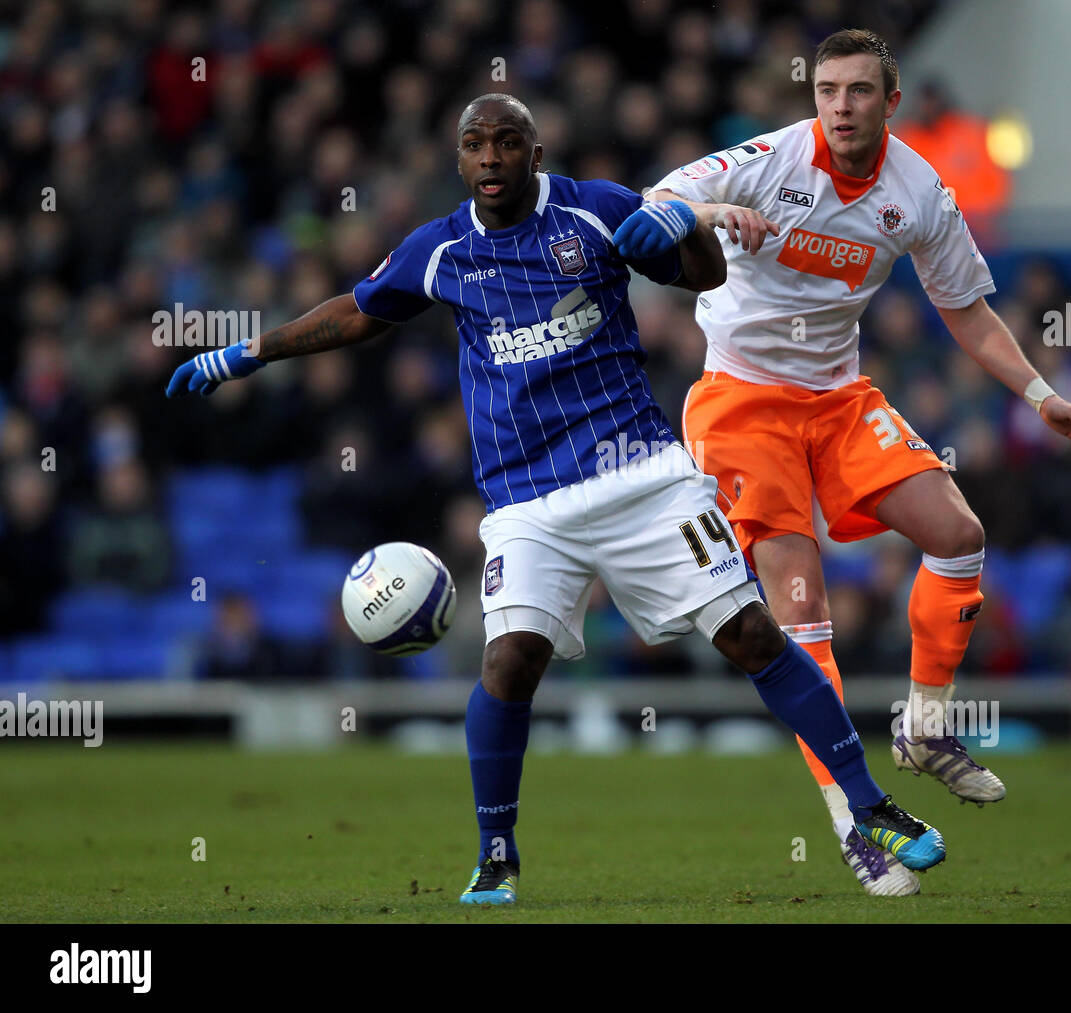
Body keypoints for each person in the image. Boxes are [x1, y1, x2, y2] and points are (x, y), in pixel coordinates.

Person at [165, 93, 942, 904]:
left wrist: (684, 230)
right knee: (509, 661)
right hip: (527, 500)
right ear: (460, 160)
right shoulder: (440, 251)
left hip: (640, 476)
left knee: (750, 633)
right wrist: (247, 353)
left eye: (508, 142)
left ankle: (869, 806)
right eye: (476, 145)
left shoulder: (597, 210)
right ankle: (496, 853)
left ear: (536, 153)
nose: (491, 157)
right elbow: (362, 313)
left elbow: (703, 277)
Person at [638, 30, 1071, 897]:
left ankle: (925, 726)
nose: (841, 107)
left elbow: (965, 312)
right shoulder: (770, 160)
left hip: (841, 399)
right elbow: (657, 198)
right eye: (826, 90)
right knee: (800, 605)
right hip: (743, 402)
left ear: (892, 103)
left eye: (859, 91)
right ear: (812, 96)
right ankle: (855, 828)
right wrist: (708, 215)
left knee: (958, 532)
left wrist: (1042, 396)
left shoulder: (919, 189)